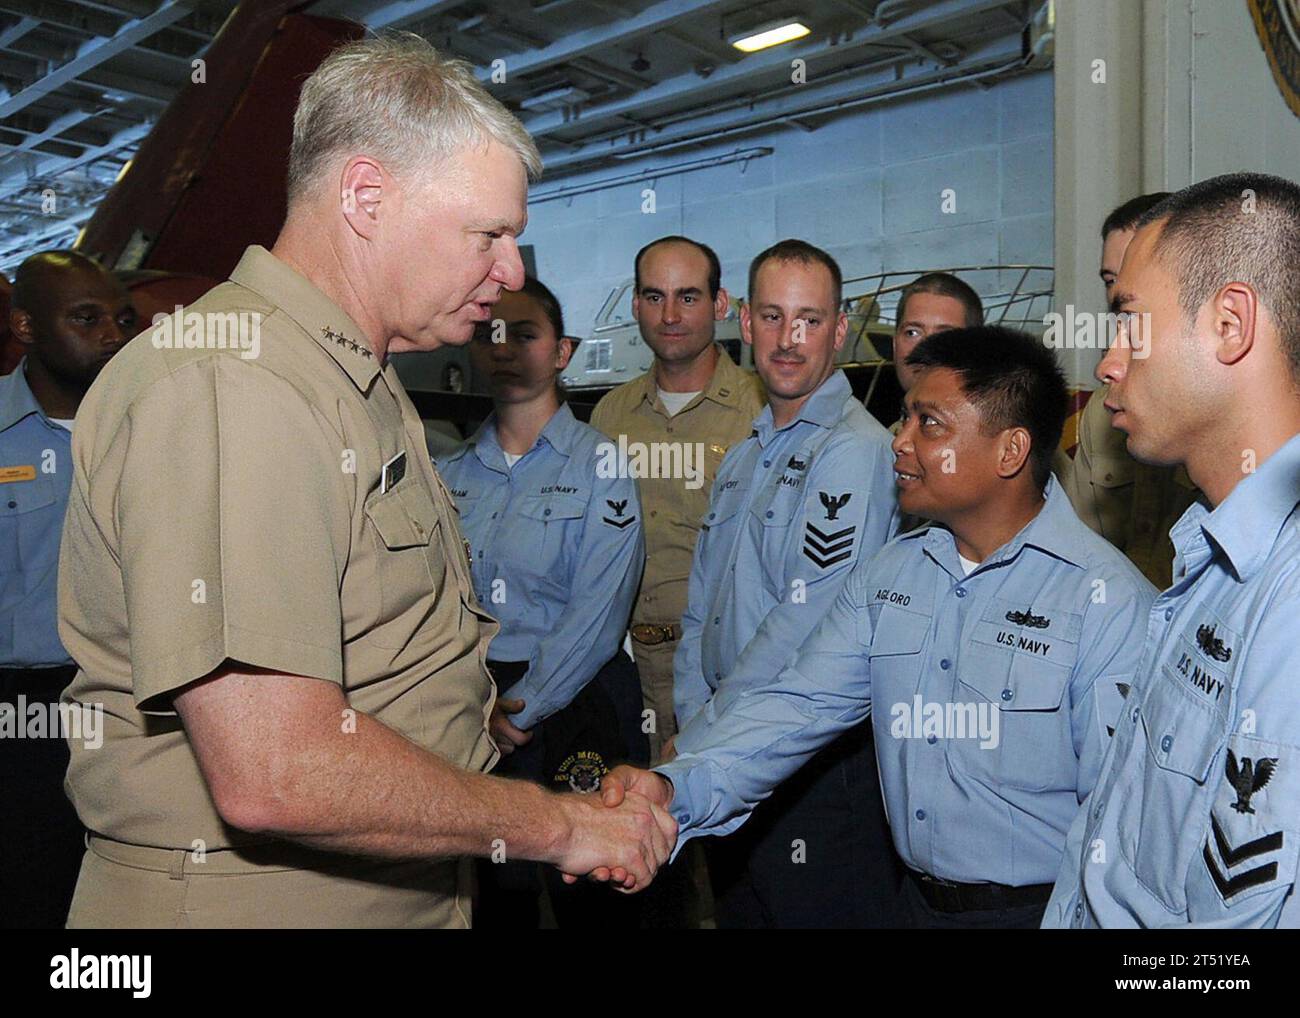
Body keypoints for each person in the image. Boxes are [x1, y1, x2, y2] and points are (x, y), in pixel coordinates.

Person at [56, 33, 674, 930]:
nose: (510, 276)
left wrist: (561, 793)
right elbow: (279, 769)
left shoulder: (356, 378)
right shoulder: (241, 384)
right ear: (365, 196)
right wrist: (558, 825)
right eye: (490, 234)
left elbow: (400, 673)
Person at [602, 325, 1154, 929]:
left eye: (930, 423)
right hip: (912, 907)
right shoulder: (888, 574)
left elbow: (1124, 824)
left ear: (1010, 451)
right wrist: (676, 790)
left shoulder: (1106, 602)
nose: (900, 441)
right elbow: (796, 706)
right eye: (905, 418)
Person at [1044, 172, 1300, 927]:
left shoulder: (1286, 595)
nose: (1108, 363)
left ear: (1230, 324)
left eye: (1130, 322)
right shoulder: (1216, 556)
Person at [669, 238, 902, 928]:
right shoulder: (747, 453)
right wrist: (692, 717)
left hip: (810, 774)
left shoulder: (855, 452)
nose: (789, 339)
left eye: (809, 319)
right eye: (772, 317)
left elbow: (804, 624)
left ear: (838, 329)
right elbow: (700, 608)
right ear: (743, 324)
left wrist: (704, 736)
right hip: (728, 756)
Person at [438, 278, 646, 927]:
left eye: (525, 334)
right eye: (489, 334)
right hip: (477, 704)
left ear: (563, 352)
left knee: (593, 896)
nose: (505, 348)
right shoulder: (448, 477)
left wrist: (522, 708)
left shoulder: (600, 465)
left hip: (574, 701)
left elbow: (601, 611)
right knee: (496, 898)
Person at [590, 236, 764, 764]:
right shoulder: (609, 418)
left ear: (720, 304)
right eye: (653, 296)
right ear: (636, 305)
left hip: (723, 672)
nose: (669, 315)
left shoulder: (761, 414)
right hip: (623, 669)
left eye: (688, 297)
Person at [0, 251, 135, 928]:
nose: (113, 332)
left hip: (140, 713)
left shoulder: (158, 431)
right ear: (25, 326)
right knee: (35, 892)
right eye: (87, 318)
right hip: (22, 723)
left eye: (121, 317)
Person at [1054, 192, 1199, 588]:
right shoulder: (1101, 414)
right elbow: (1075, 547)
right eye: (1110, 279)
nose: (1118, 292)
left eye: (1137, 271)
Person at [888, 271, 983, 413]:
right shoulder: (890, 433)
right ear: (894, 345)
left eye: (945, 336)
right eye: (912, 333)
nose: (924, 348)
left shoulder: (993, 433)